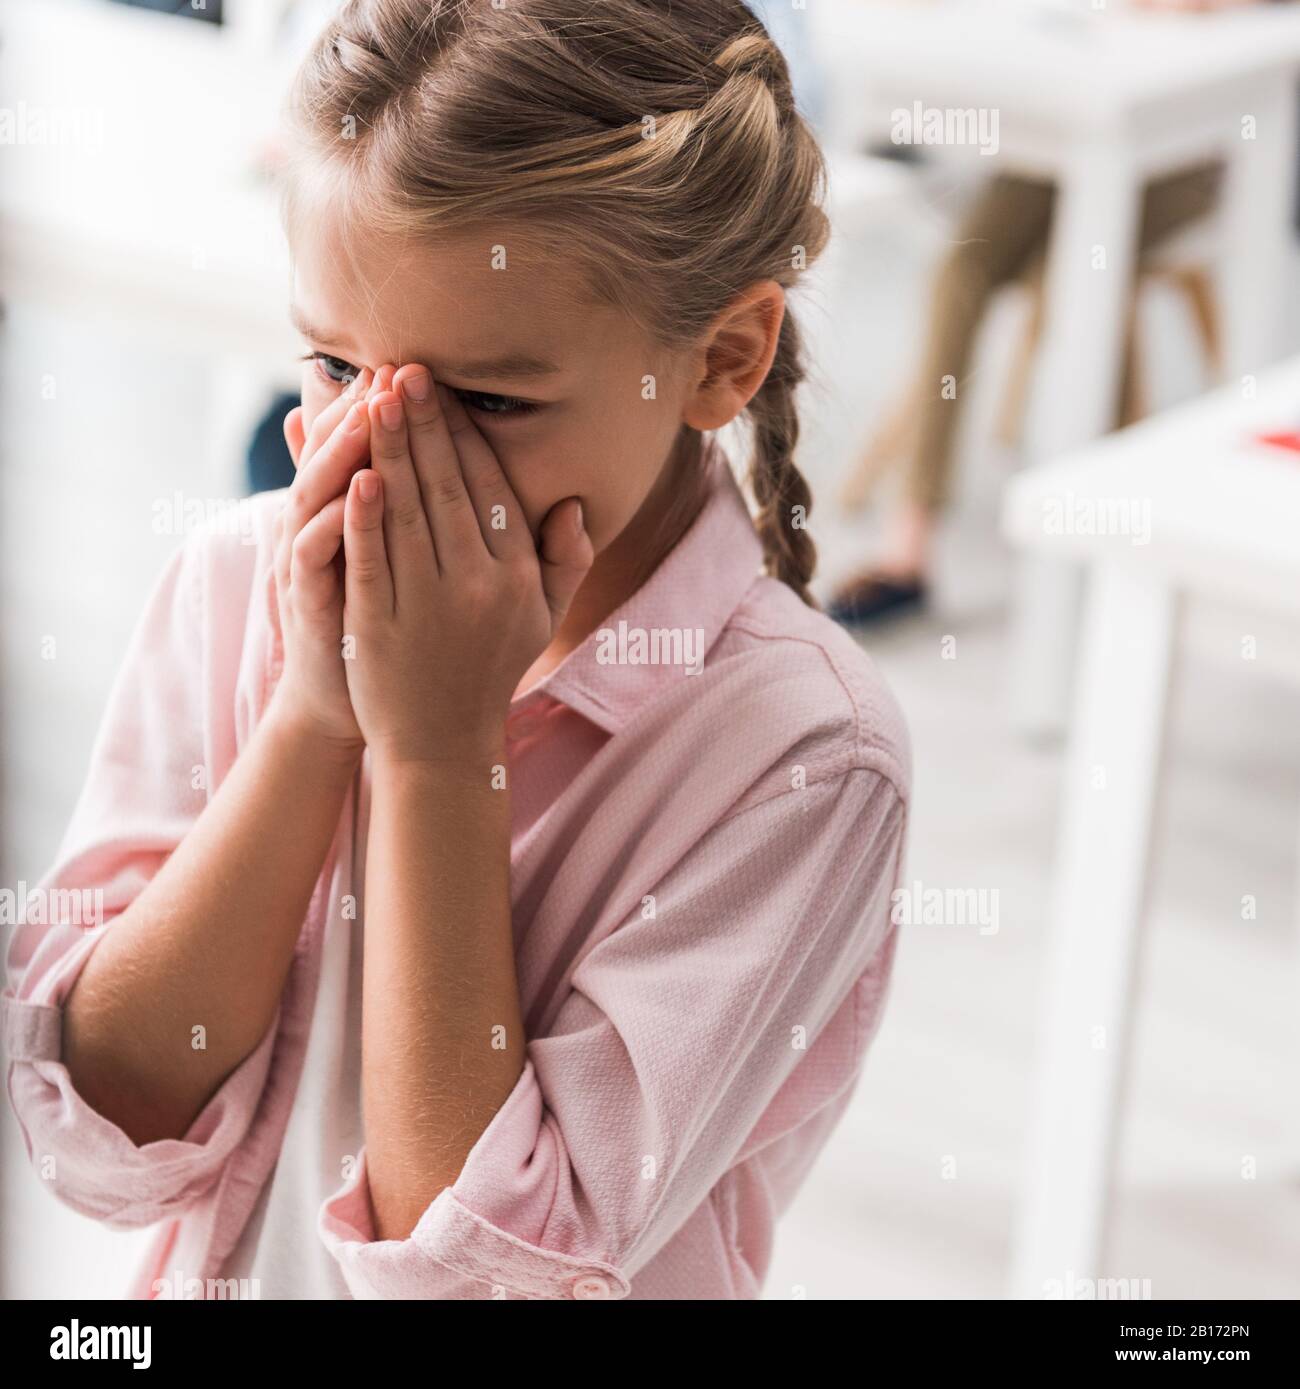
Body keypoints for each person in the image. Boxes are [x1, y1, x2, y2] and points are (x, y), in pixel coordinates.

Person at [3, 0, 910, 1300]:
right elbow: (97, 1130)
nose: (385, 455)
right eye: (330, 365)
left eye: (488, 400)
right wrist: (314, 718)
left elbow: (478, 1281)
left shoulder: (808, 755)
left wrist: (436, 750)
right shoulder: (230, 584)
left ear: (722, 358)